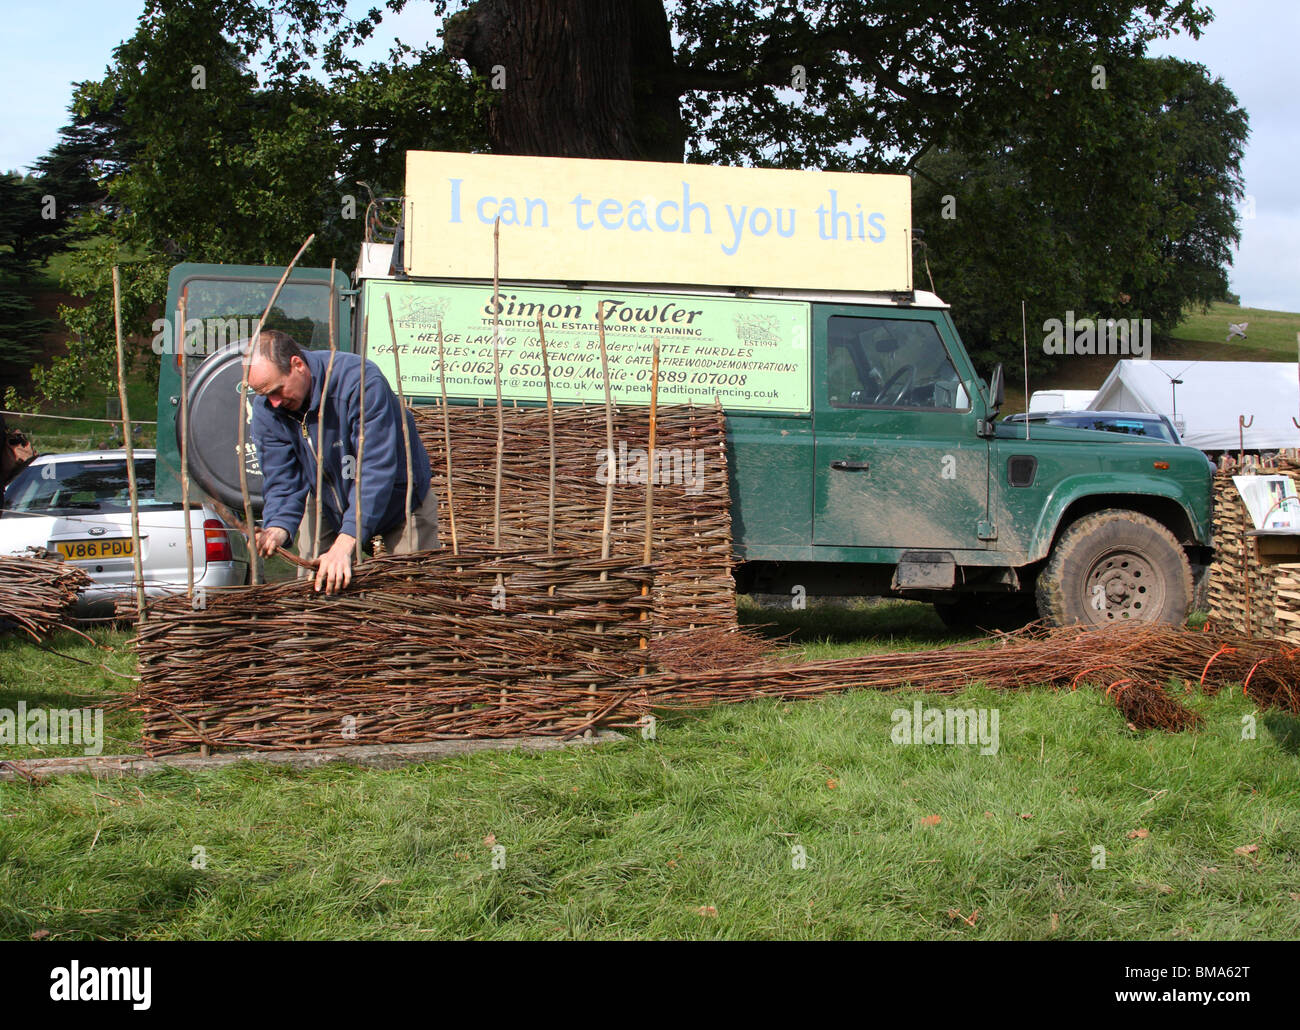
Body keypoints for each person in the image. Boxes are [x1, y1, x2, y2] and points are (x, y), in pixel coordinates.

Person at [245, 329, 438, 593]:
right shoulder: (268, 408)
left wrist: (345, 542)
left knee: (414, 587)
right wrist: (277, 527)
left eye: (277, 390)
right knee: (313, 588)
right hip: (326, 497)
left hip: (399, 497)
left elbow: (376, 469)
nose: (274, 403)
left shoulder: (360, 382)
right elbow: (282, 479)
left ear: (297, 365)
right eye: (264, 394)